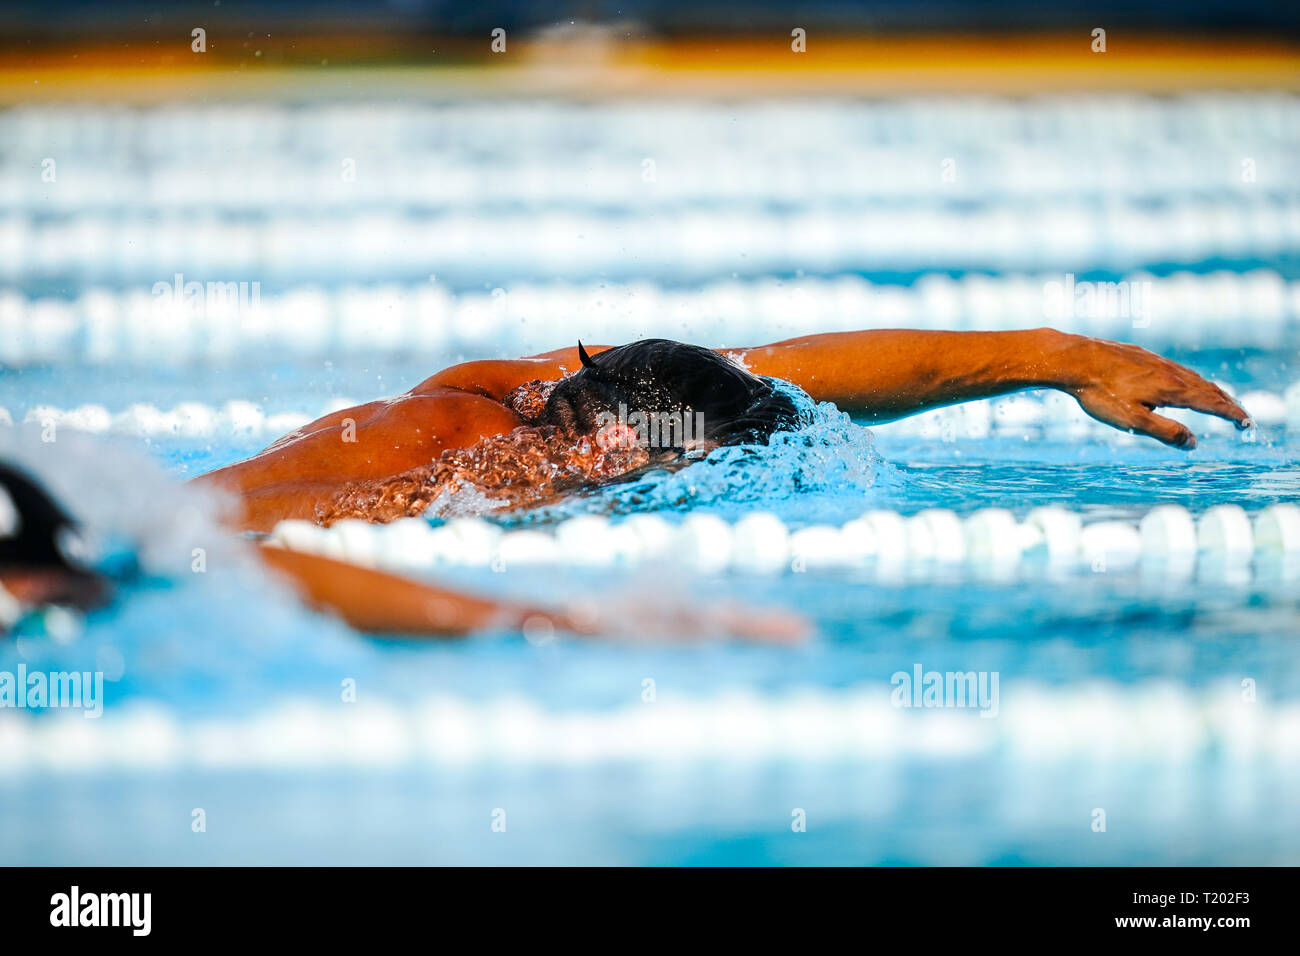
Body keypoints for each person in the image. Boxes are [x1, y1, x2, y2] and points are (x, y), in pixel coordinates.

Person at [194, 328, 1253, 532]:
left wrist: (1052, 357)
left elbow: (764, 369)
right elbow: (226, 521)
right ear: (617, 445)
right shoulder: (474, 462)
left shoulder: (525, 403)